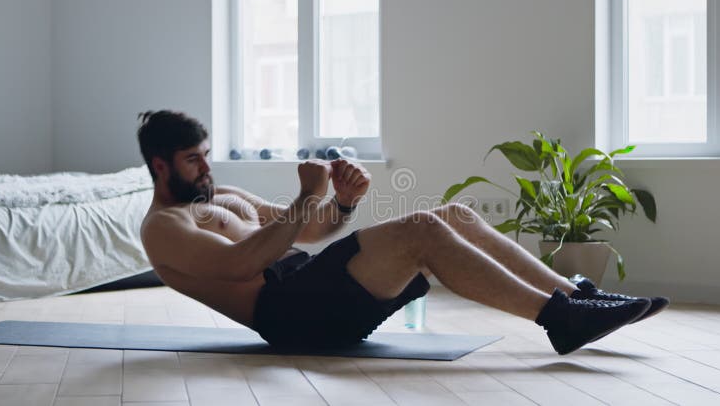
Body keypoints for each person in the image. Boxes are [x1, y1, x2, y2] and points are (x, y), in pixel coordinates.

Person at [137, 110, 668, 355]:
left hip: (311, 286)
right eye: (192, 161)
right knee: (420, 232)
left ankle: (576, 297)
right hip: (290, 313)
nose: (206, 170)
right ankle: (561, 319)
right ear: (160, 166)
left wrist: (342, 200)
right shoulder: (163, 229)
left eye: (207, 157)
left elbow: (312, 230)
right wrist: (304, 197)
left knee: (453, 217)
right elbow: (244, 264)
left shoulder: (224, 197)